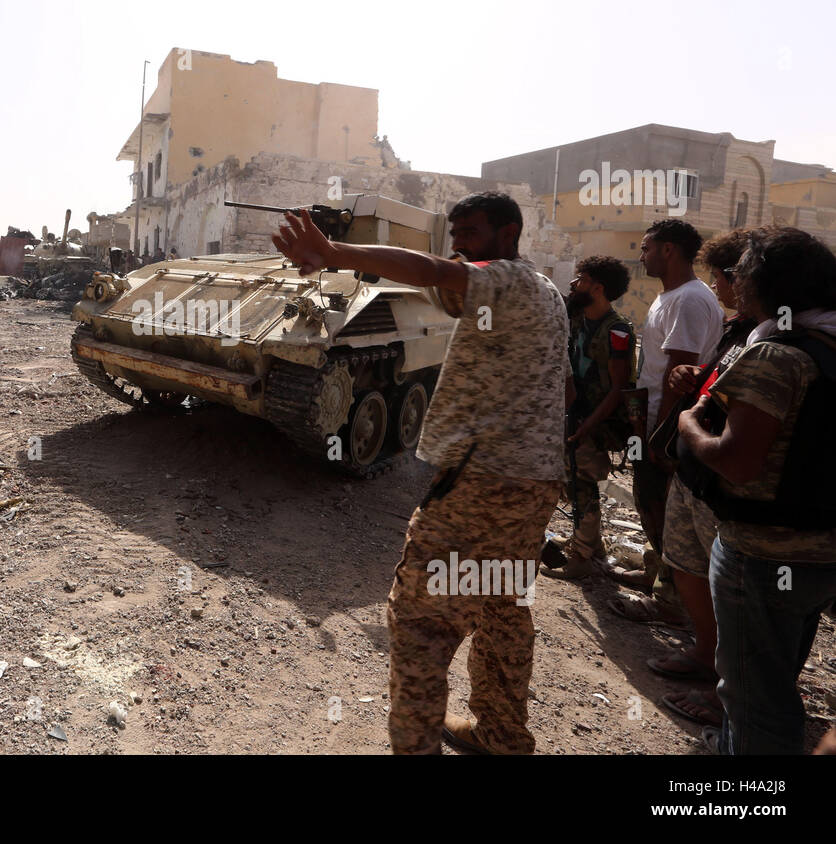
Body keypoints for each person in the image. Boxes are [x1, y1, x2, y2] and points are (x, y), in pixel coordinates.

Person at [272, 191, 568, 755]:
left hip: (480, 486)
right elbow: (436, 282)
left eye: (472, 233)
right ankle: (501, 737)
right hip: (532, 484)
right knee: (502, 610)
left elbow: (429, 269)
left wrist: (333, 250)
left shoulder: (503, 279)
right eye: (454, 234)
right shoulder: (544, 292)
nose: (459, 245)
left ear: (509, 236)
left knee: (421, 623)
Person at [678, 227, 836, 754]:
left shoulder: (776, 357)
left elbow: (737, 463)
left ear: (767, 281)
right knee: (776, 676)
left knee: (754, 699)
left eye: (742, 270)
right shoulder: (827, 344)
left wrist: (689, 426)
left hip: (761, 553)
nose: (734, 281)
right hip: (820, 552)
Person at [649, 230, 756, 729]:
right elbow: (709, 380)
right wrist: (689, 383)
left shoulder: (783, 341)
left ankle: (736, 695)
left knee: (737, 594)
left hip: (728, 485)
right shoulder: (741, 331)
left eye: (726, 276)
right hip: (696, 471)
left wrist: (679, 425)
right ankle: (706, 654)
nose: (718, 285)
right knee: (688, 564)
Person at [610, 219, 722, 625]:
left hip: (665, 424)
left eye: (646, 248)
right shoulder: (672, 296)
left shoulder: (689, 300)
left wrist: (659, 437)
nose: (641, 257)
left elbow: (680, 371)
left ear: (669, 250)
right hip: (652, 418)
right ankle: (657, 571)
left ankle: (671, 600)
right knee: (647, 500)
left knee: (661, 507)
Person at [541, 256, 636, 580]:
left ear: (597, 287)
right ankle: (591, 546)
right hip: (575, 415)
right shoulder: (580, 318)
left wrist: (587, 427)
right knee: (573, 480)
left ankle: (581, 558)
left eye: (580, 279)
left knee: (583, 485)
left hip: (596, 421)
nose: (573, 284)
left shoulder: (617, 331)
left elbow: (619, 389)